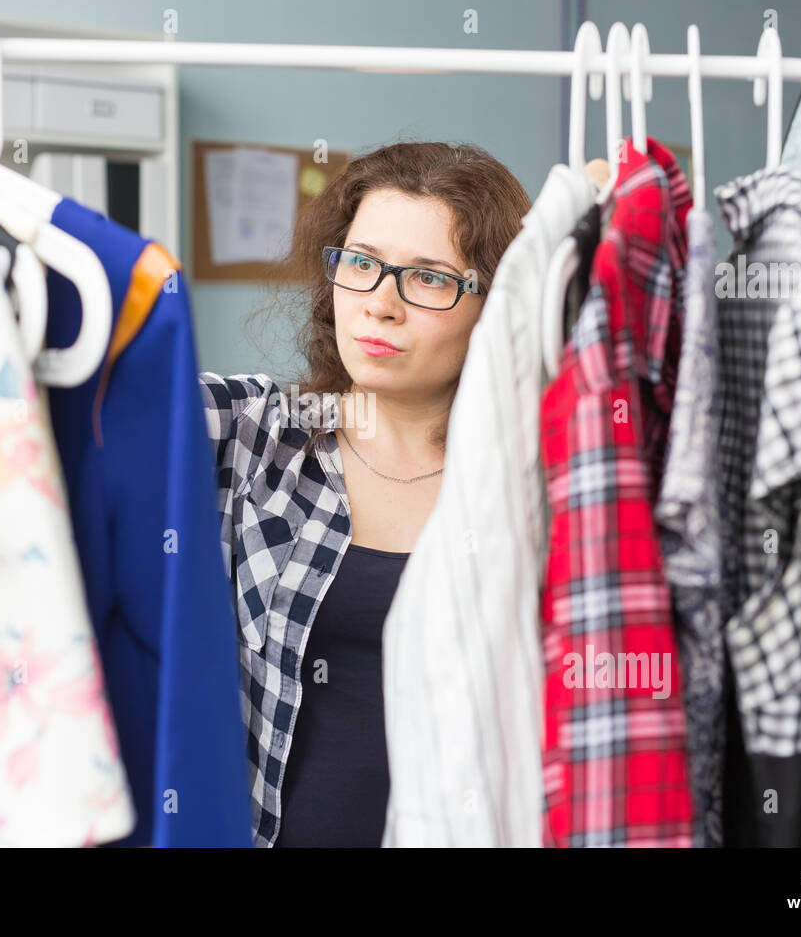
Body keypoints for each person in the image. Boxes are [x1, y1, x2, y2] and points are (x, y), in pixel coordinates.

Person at [199, 141, 596, 848]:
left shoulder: (539, 480)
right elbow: (95, 393)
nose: (380, 303)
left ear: (495, 303)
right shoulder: (258, 434)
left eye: (430, 278)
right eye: (362, 263)